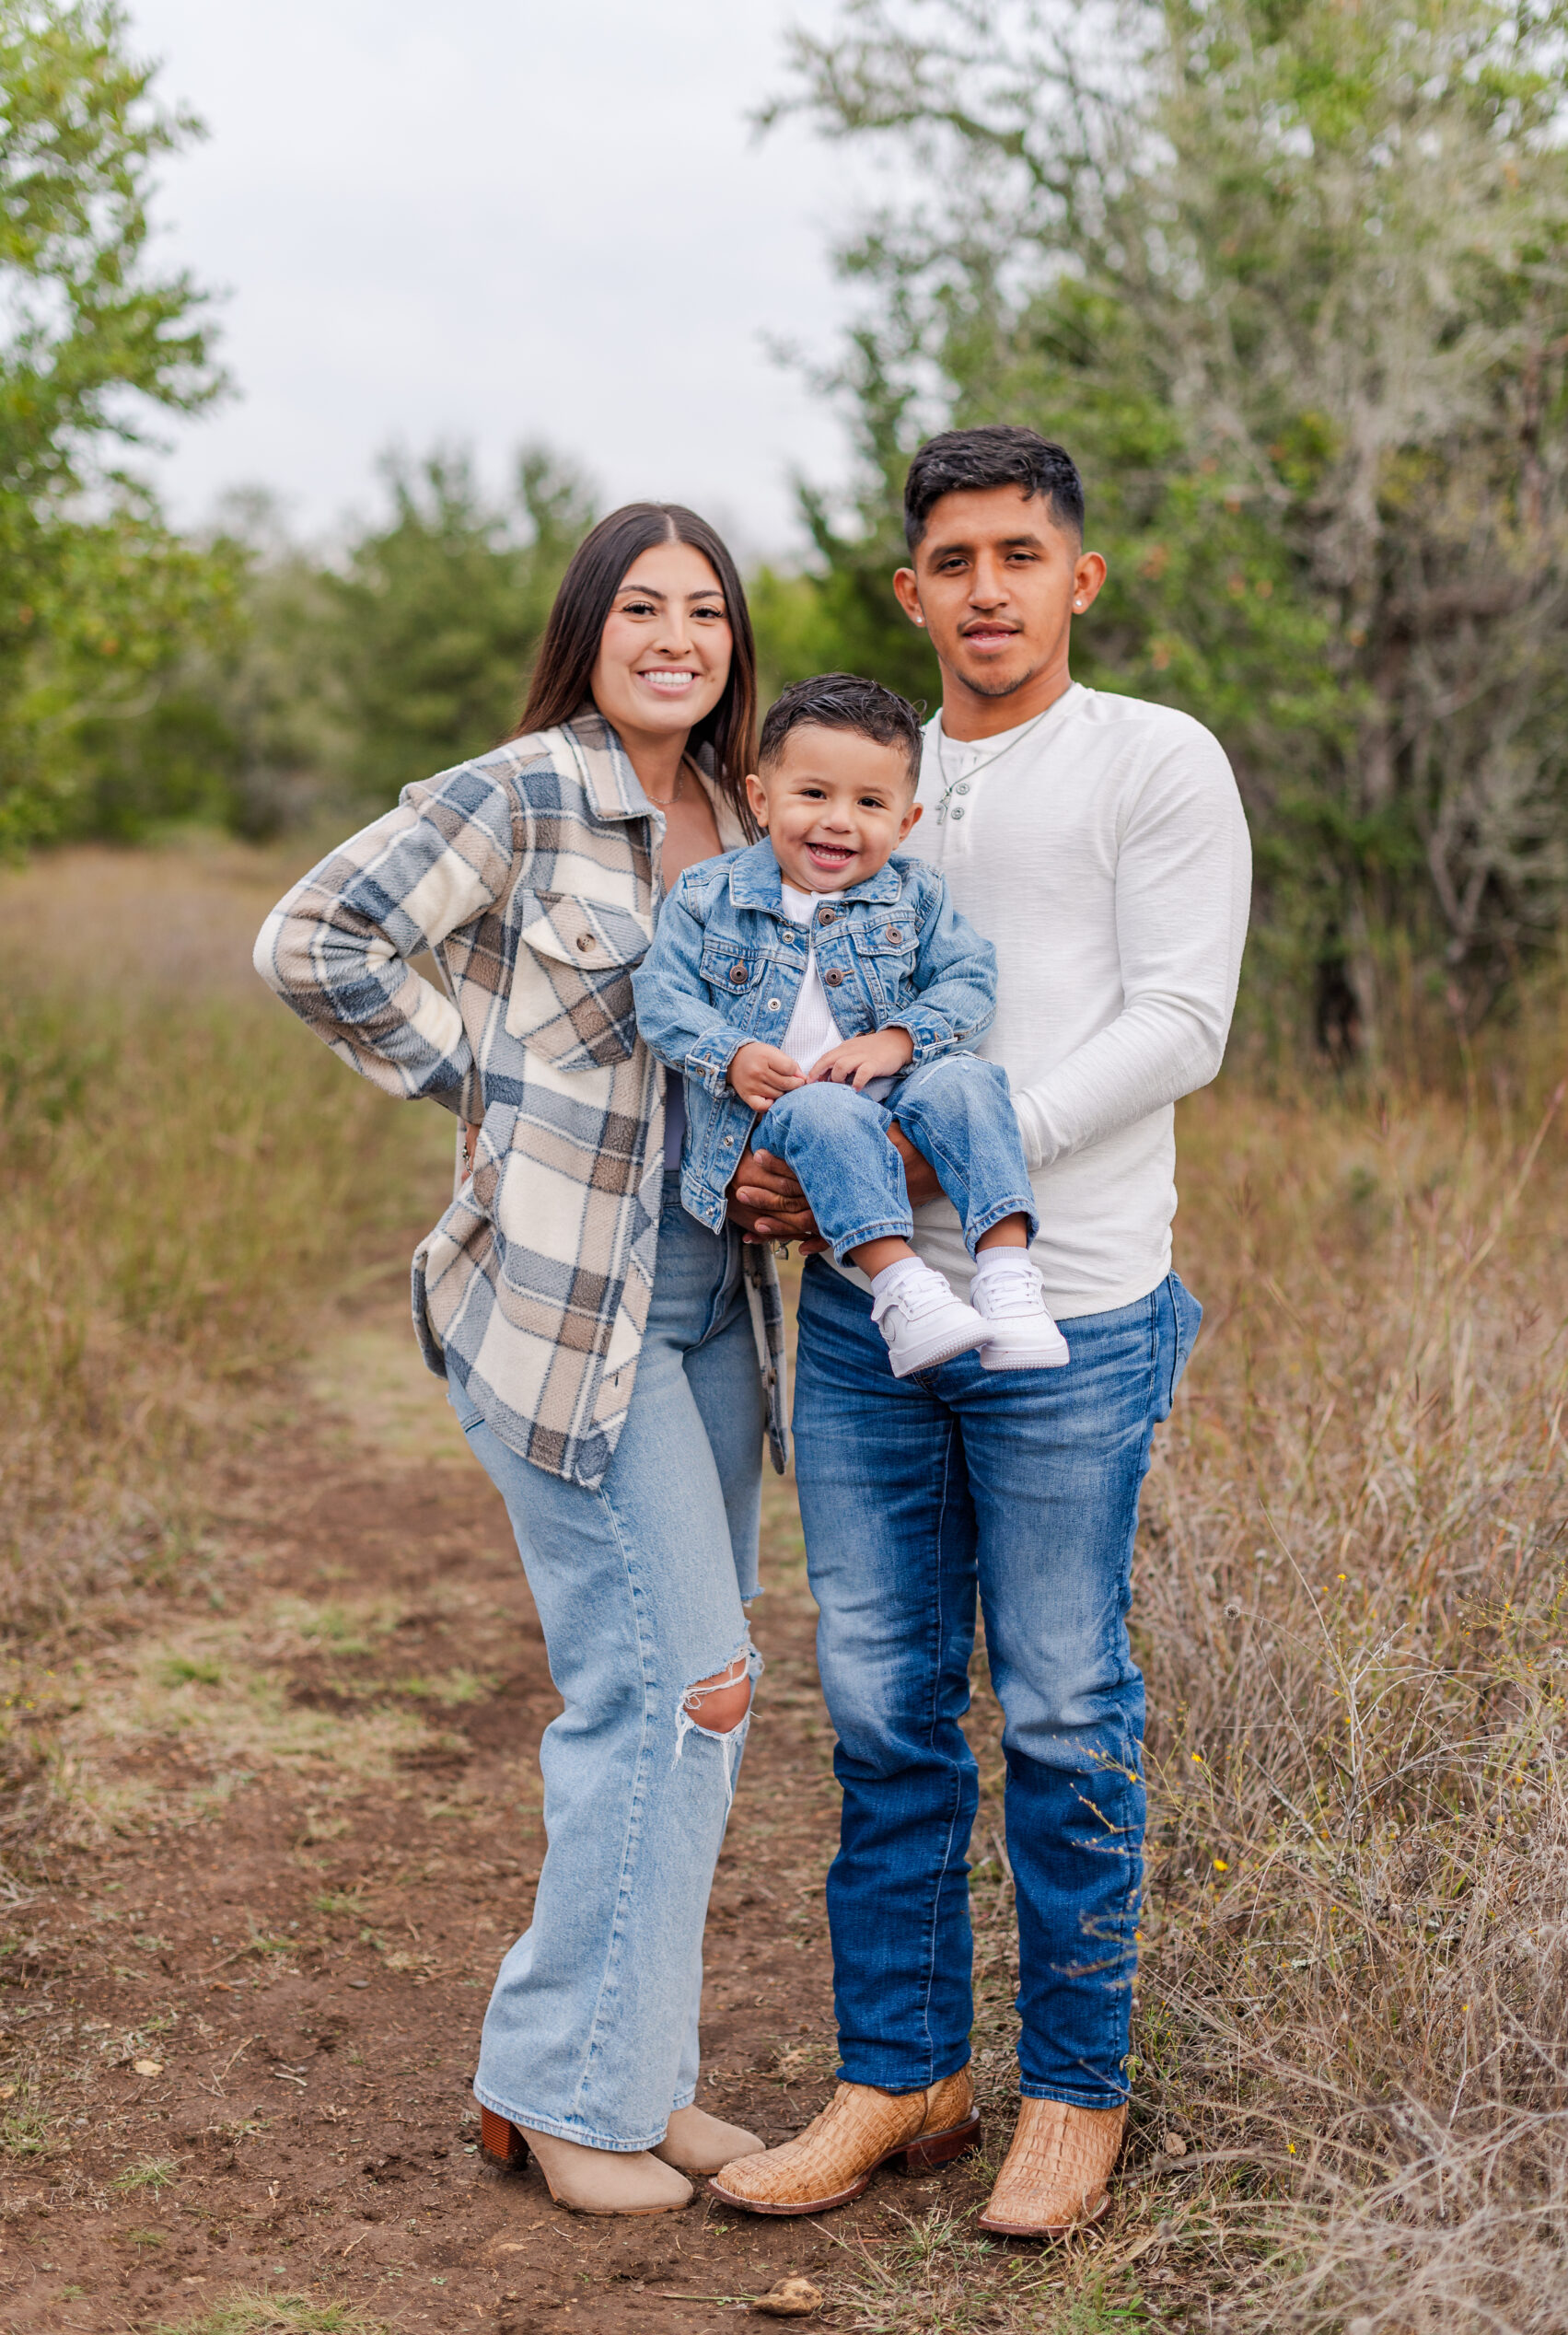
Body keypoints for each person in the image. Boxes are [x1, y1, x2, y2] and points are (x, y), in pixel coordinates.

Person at [712, 425, 1251, 2235]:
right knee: (876, 1705)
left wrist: (959, 1136)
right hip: (868, 1313)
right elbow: (758, 995)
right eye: (952, 559)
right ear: (909, 589)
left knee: (1059, 1701)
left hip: (1069, 1308)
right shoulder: (857, 775)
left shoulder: (1148, 760)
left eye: (1019, 554)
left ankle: (1070, 2090)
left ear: (1074, 576)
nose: (987, 588)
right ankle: (903, 2070)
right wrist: (781, 1161)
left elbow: (1178, 1017)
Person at [254, 503, 788, 2219]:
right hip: (571, 1311)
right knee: (666, 1683)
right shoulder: (524, 788)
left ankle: (639, 2081)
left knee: (713, 1703)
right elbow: (314, 940)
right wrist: (482, 1085)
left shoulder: (748, 808)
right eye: (641, 607)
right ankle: (557, 2095)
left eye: (703, 612)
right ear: (591, 625)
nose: (674, 637)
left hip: (726, 1304)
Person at [634, 672, 1069, 1378]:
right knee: (827, 1110)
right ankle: (902, 1290)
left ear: (904, 824)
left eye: (869, 803)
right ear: (759, 799)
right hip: (784, 1114)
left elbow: (970, 978)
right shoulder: (708, 895)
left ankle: (1008, 1276)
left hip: (897, 1098)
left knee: (968, 1080)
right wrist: (733, 1052)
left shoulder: (914, 895)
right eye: (813, 794)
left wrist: (900, 1039)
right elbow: (661, 997)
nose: (838, 820)